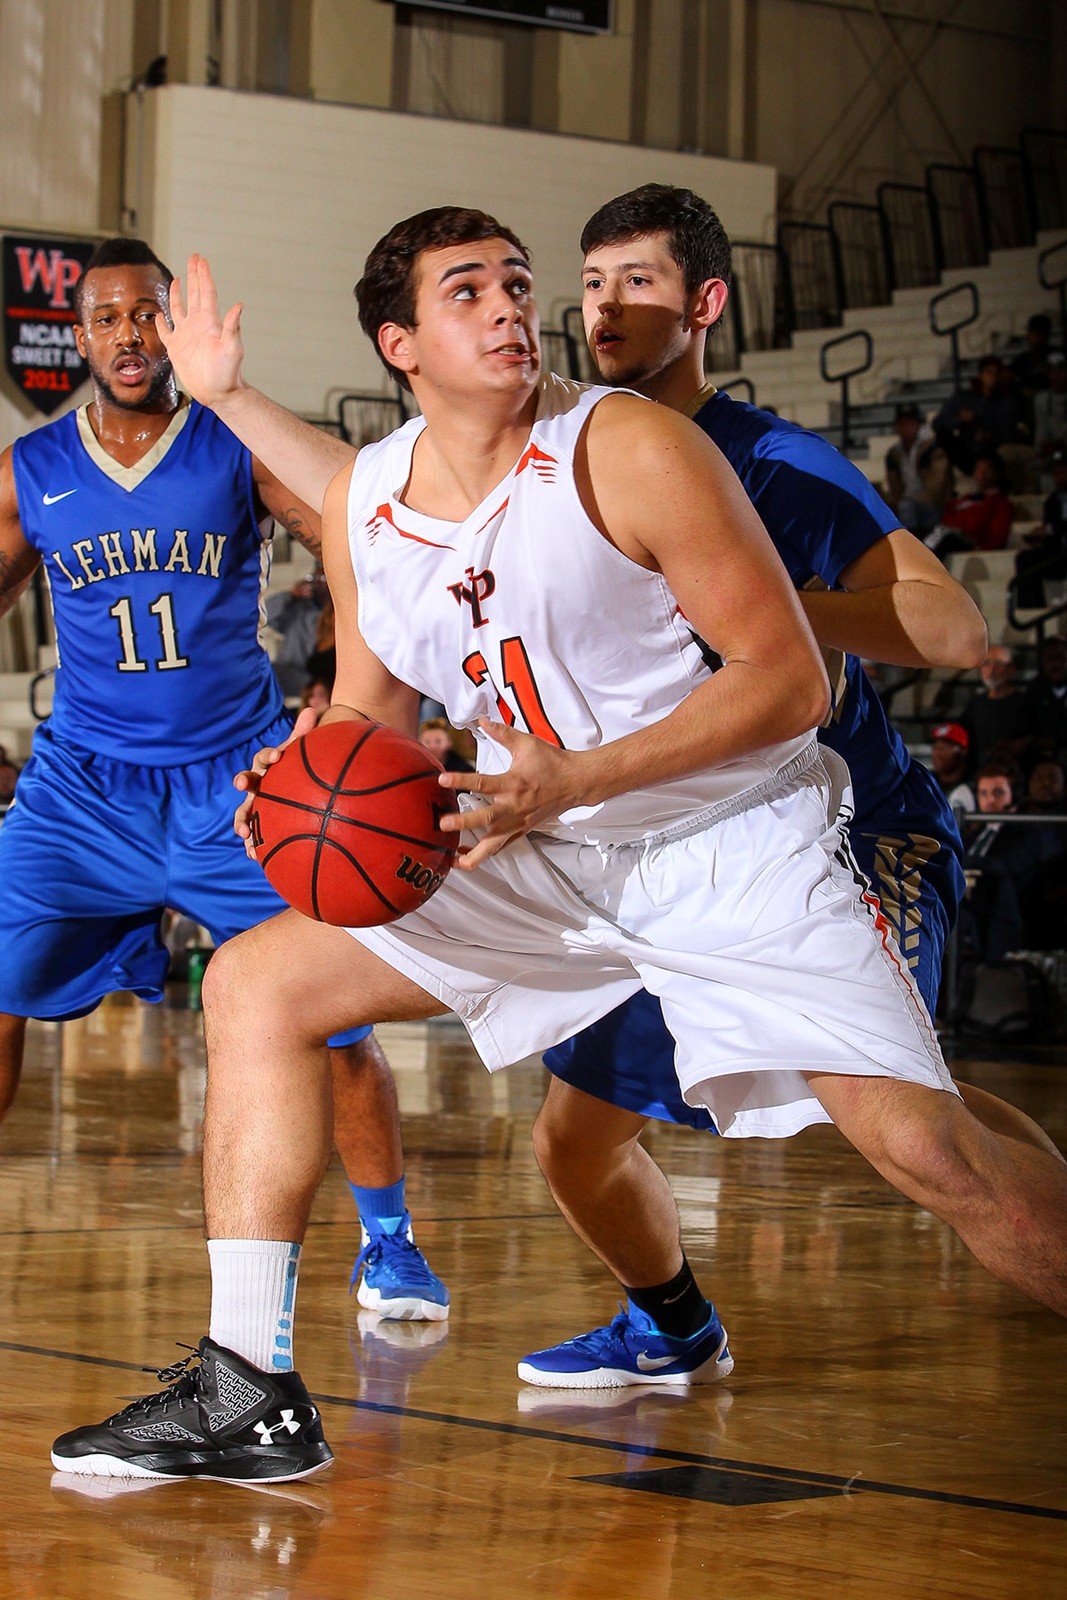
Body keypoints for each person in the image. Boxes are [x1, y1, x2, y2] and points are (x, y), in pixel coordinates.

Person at [53, 213, 1067, 1486]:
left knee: (926, 1150)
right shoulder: (368, 501)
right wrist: (310, 779)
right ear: (399, 344)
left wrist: (571, 780)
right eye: (466, 290)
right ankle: (245, 1387)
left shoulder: (632, 445)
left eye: (516, 283)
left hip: (724, 841)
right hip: (545, 842)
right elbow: (373, 716)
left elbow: (789, 682)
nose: (508, 306)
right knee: (259, 983)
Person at [533, 181, 1064, 1375]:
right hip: (679, 850)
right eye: (593, 283)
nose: (605, 308)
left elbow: (952, 628)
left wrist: (766, 601)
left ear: (704, 304)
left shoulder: (772, 461)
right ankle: (672, 1328)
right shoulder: (572, 459)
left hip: (847, 830)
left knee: (915, 1134)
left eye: (638, 282)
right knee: (572, 1142)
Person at [0, 239, 447, 1318]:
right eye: (105, 319)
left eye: (146, 314)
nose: (128, 336)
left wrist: (350, 702)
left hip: (238, 786)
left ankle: (389, 1242)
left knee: (335, 1019)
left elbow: (362, 539)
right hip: (83, 790)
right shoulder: (31, 468)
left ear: (173, 325)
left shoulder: (234, 443)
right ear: (78, 337)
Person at [960, 643, 1033, 768]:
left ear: (1011, 669)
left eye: (998, 664)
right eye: (986, 663)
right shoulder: (974, 706)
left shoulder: (1026, 704)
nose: (992, 670)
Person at [882, 403, 950, 535]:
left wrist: (911, 501)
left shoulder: (932, 450)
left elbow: (935, 488)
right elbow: (895, 489)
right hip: (906, 504)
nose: (906, 428)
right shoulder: (894, 454)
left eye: (910, 423)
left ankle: (910, 542)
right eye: (902, 424)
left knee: (907, 508)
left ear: (918, 425)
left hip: (932, 505)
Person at [265, 563, 330, 697]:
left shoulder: (338, 612)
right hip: (294, 670)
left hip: (327, 675)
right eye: (314, 578)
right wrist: (290, 595)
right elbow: (266, 615)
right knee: (267, 671)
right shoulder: (297, 607)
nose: (318, 583)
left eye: (323, 578)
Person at [927, 722, 975, 814]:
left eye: (945, 747)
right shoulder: (925, 781)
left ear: (963, 751)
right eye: (936, 747)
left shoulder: (975, 785)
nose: (938, 753)